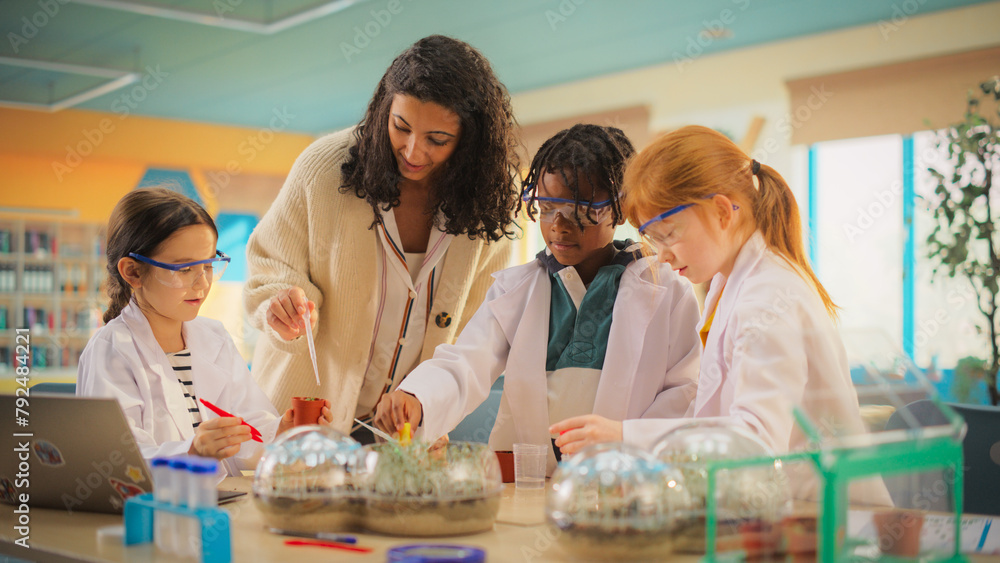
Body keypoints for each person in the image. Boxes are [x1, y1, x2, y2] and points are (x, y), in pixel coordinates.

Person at [374, 124, 701, 474]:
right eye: (546, 208)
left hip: (621, 484)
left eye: (580, 212)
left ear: (619, 208)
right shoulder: (516, 289)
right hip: (525, 482)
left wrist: (628, 440)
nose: (559, 226)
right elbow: (466, 363)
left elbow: (685, 394)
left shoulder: (668, 293)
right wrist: (417, 398)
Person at [244, 35, 521, 441]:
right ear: (382, 112)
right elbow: (269, 264)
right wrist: (281, 305)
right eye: (401, 127)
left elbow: (473, 328)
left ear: (470, 142)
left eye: (437, 140)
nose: (412, 151)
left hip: (404, 431)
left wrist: (431, 403)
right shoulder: (324, 168)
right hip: (304, 420)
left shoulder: (489, 196)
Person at [552, 125, 874, 462]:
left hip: (825, 506)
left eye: (668, 234)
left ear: (722, 211)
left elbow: (756, 439)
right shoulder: (729, 284)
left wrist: (627, 435)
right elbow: (715, 419)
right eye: (653, 240)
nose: (661, 255)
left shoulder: (769, 295)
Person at [78, 188, 331, 476]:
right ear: (133, 272)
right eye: (184, 269)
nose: (202, 283)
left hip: (219, 503)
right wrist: (192, 452)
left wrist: (280, 431)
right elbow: (114, 462)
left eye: (208, 265)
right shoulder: (111, 350)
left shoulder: (214, 338)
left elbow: (246, 424)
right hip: (155, 512)